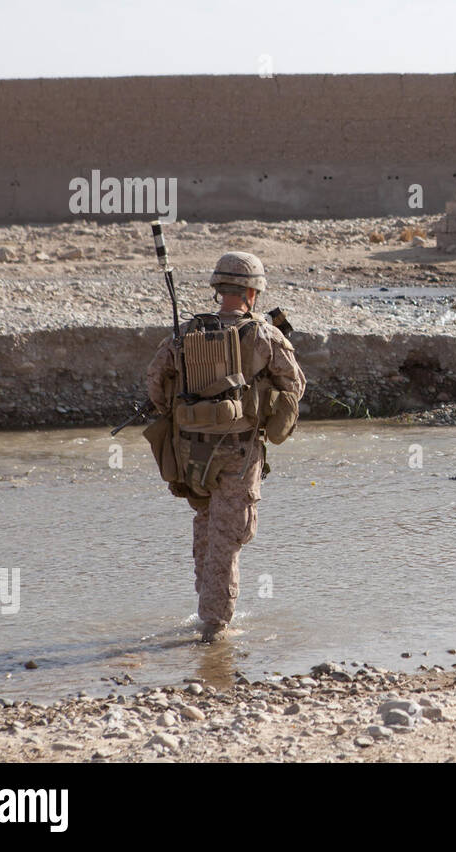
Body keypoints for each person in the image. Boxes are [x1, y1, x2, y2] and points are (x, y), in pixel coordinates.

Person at [144, 252, 306, 643]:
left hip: (190, 452)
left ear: (219, 289)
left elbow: (154, 383)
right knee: (228, 538)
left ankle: (206, 608)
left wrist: (186, 413)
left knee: (206, 525)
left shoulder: (183, 334)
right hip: (240, 450)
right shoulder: (265, 335)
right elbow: (295, 386)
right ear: (253, 291)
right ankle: (215, 627)